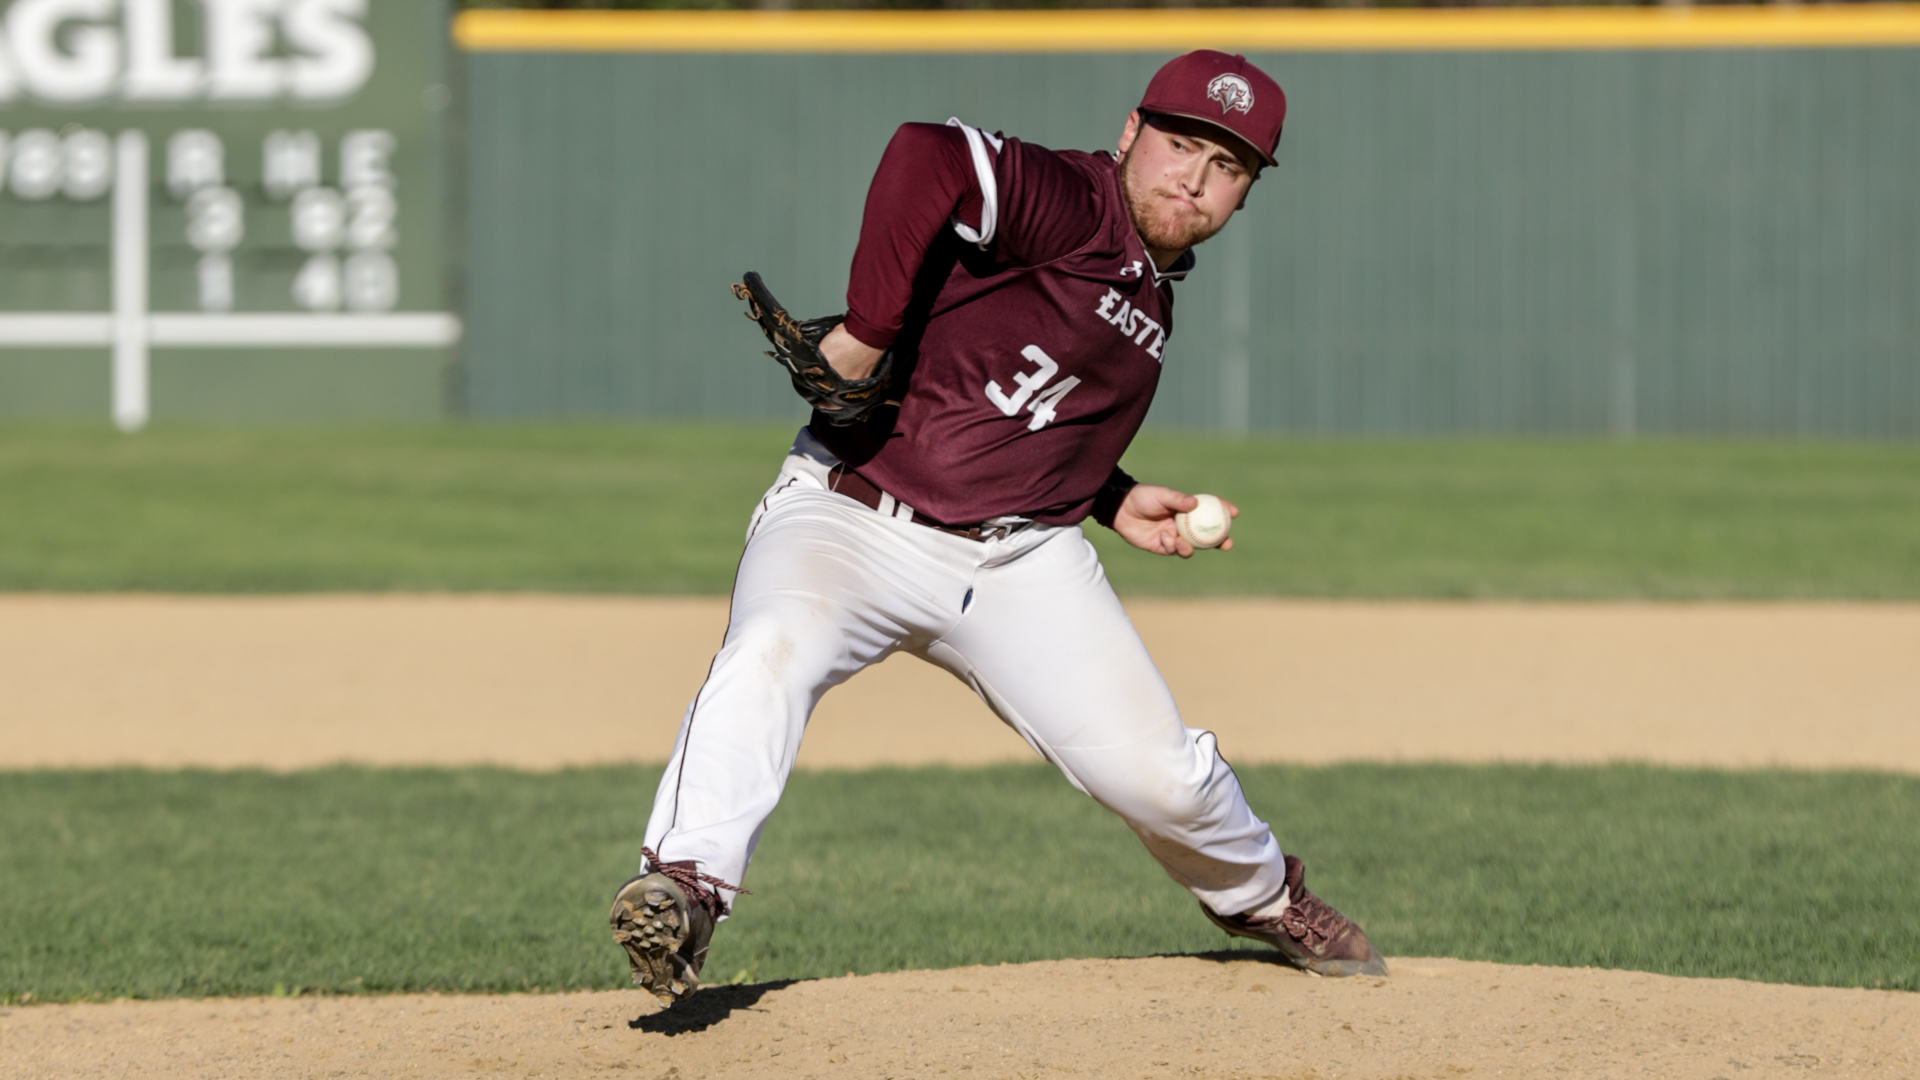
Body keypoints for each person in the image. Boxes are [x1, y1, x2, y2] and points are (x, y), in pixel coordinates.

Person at [609, 50, 1386, 1008]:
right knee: (767, 654)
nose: (1194, 177)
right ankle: (682, 890)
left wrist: (1109, 494)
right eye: (1180, 144)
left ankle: (1266, 898)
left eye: (1226, 166)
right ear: (1131, 133)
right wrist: (869, 330)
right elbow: (925, 152)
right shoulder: (1072, 200)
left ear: (1246, 192)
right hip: (850, 519)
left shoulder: (1152, 285)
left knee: (1164, 779)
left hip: (1022, 562)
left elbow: (1017, 400)